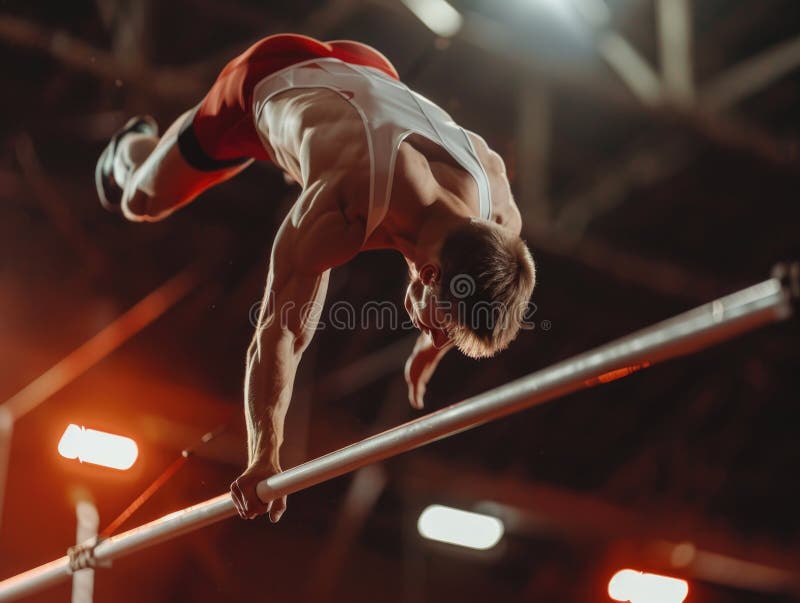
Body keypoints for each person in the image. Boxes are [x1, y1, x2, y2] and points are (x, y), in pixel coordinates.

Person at [95, 34, 536, 523]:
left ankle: (299, 147)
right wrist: (265, 453)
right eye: (440, 327)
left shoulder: (497, 213)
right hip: (263, 81)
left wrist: (433, 345)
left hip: (372, 67)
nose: (434, 333)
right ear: (430, 273)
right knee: (141, 201)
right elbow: (280, 333)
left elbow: (478, 278)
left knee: (321, 150)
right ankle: (129, 147)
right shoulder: (347, 204)